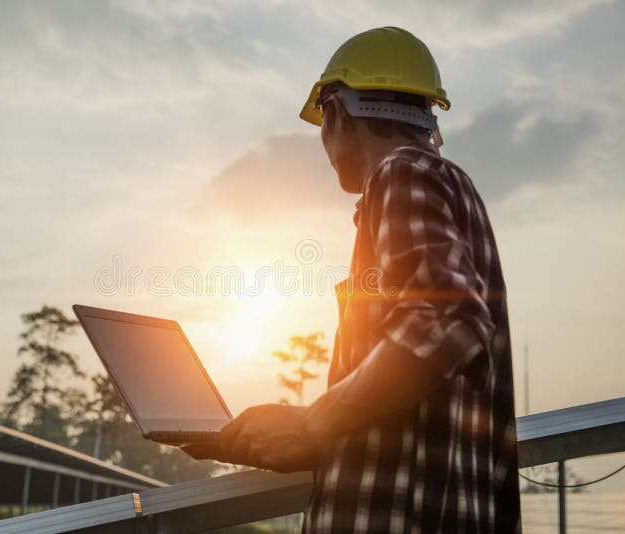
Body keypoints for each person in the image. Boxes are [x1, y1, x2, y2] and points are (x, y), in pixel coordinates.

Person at [184, 27, 522, 533]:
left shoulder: (401, 172)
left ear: (336, 114)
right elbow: (421, 400)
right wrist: (306, 437)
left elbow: (448, 316)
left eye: (322, 123)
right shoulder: (458, 190)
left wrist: (313, 423)